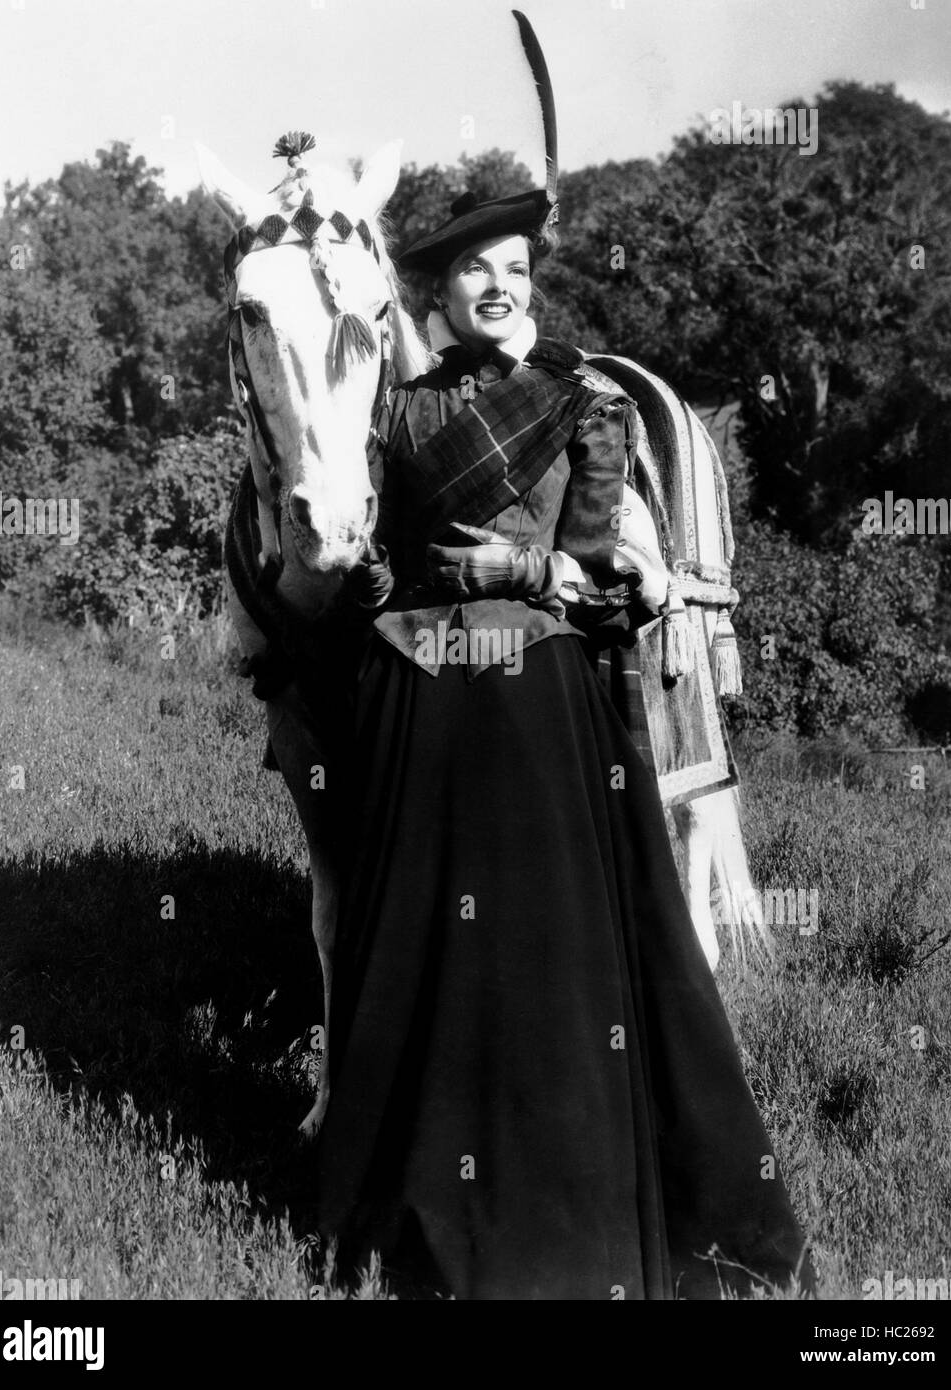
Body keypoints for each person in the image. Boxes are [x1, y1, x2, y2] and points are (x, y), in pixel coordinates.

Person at [315, 186, 813, 1301]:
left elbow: (606, 586)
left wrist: (522, 571)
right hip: (417, 701)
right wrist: (369, 573)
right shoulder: (394, 415)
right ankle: (412, 1219)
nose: (502, 288)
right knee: (418, 960)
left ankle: (556, 1217)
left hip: (538, 701)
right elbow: (387, 570)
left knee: (543, 964)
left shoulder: (587, 406)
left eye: (520, 272)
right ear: (436, 293)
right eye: (477, 272)